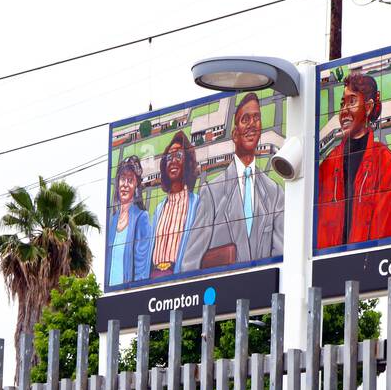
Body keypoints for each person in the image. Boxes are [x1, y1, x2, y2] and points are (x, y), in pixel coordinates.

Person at [184, 92, 284, 269]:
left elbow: (282, 257)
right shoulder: (212, 192)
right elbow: (191, 262)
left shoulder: (274, 193)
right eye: (245, 119)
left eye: (256, 118)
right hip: (223, 293)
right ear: (234, 134)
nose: (252, 124)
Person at [316, 71, 391, 249]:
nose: (344, 111)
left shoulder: (385, 161)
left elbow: (386, 230)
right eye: (342, 104)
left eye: (352, 101)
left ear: (368, 107)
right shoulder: (328, 166)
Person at [150, 130, 209, 276]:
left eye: (178, 155)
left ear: (188, 162)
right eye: (169, 157)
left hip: (182, 282)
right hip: (154, 282)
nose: (173, 160)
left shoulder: (196, 204)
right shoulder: (159, 210)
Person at [107, 155, 152, 288]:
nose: (125, 185)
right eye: (122, 179)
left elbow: (141, 267)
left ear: (136, 185)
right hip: (112, 295)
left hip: (130, 296)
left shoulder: (141, 218)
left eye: (130, 180)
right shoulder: (113, 221)